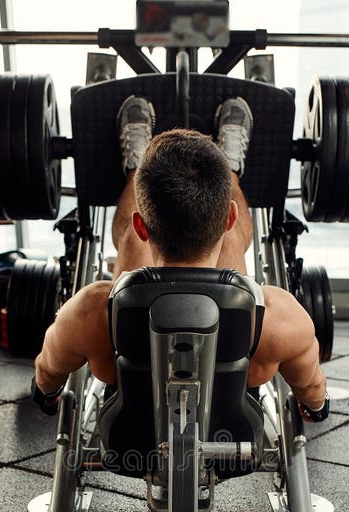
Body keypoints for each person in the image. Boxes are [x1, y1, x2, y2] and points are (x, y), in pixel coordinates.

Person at [33, 95, 328, 422]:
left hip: (132, 433)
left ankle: (136, 167)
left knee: (129, 270)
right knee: (229, 256)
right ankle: (230, 170)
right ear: (230, 217)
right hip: (232, 433)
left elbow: (48, 369)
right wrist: (315, 406)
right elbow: (312, 387)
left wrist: (46, 393)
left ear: (142, 226)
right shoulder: (278, 317)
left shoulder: (92, 309)